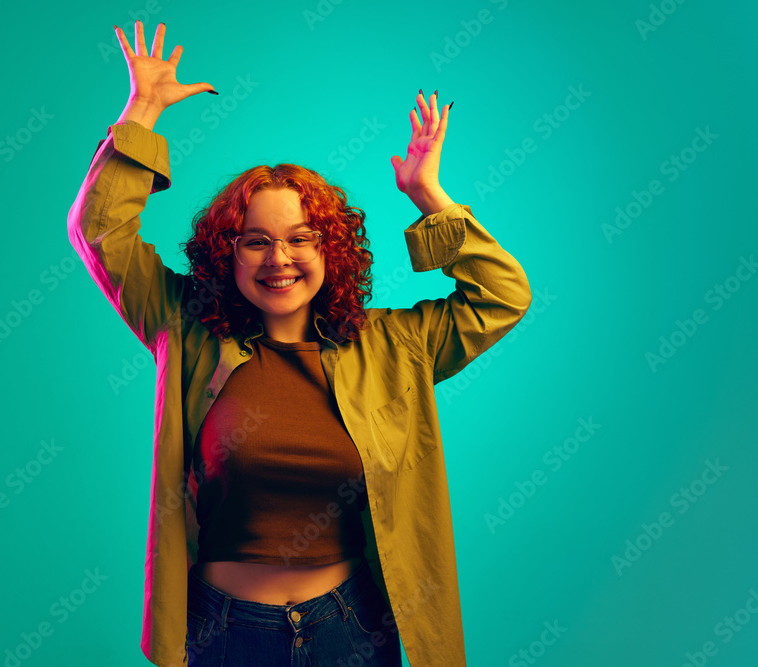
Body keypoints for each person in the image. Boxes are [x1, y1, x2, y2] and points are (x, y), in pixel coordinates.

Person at [68, 20, 532, 667]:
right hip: (222, 630)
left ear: (330, 249)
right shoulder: (188, 328)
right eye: (255, 239)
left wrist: (429, 197)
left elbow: (502, 294)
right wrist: (142, 111)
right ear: (226, 255)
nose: (278, 258)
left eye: (301, 238)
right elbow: (98, 231)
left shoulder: (395, 346)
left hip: (350, 626)